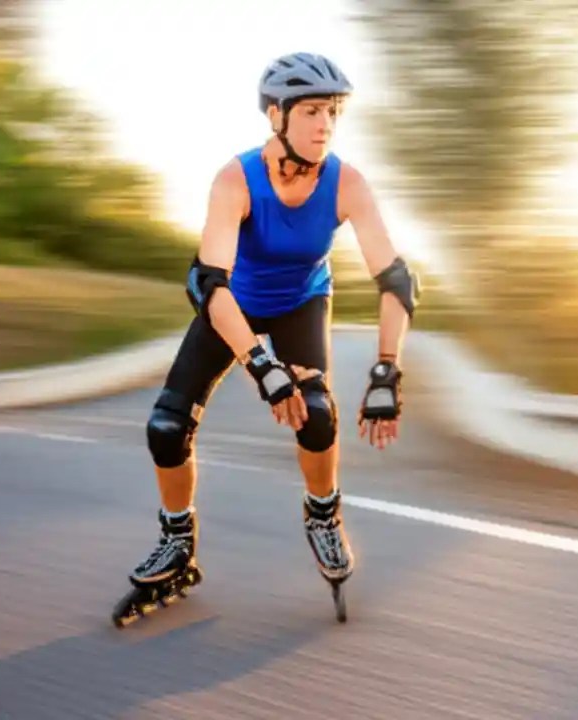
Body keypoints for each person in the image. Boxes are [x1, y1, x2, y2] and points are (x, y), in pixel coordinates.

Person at [125, 52, 420, 597]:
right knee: (166, 428)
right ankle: (177, 540)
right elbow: (207, 285)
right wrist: (262, 366)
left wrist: (386, 369)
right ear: (275, 116)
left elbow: (397, 281)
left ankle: (324, 515)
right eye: (310, 111)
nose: (325, 124)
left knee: (316, 415)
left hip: (300, 303)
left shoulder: (346, 183)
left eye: (332, 111)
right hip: (233, 305)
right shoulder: (235, 179)